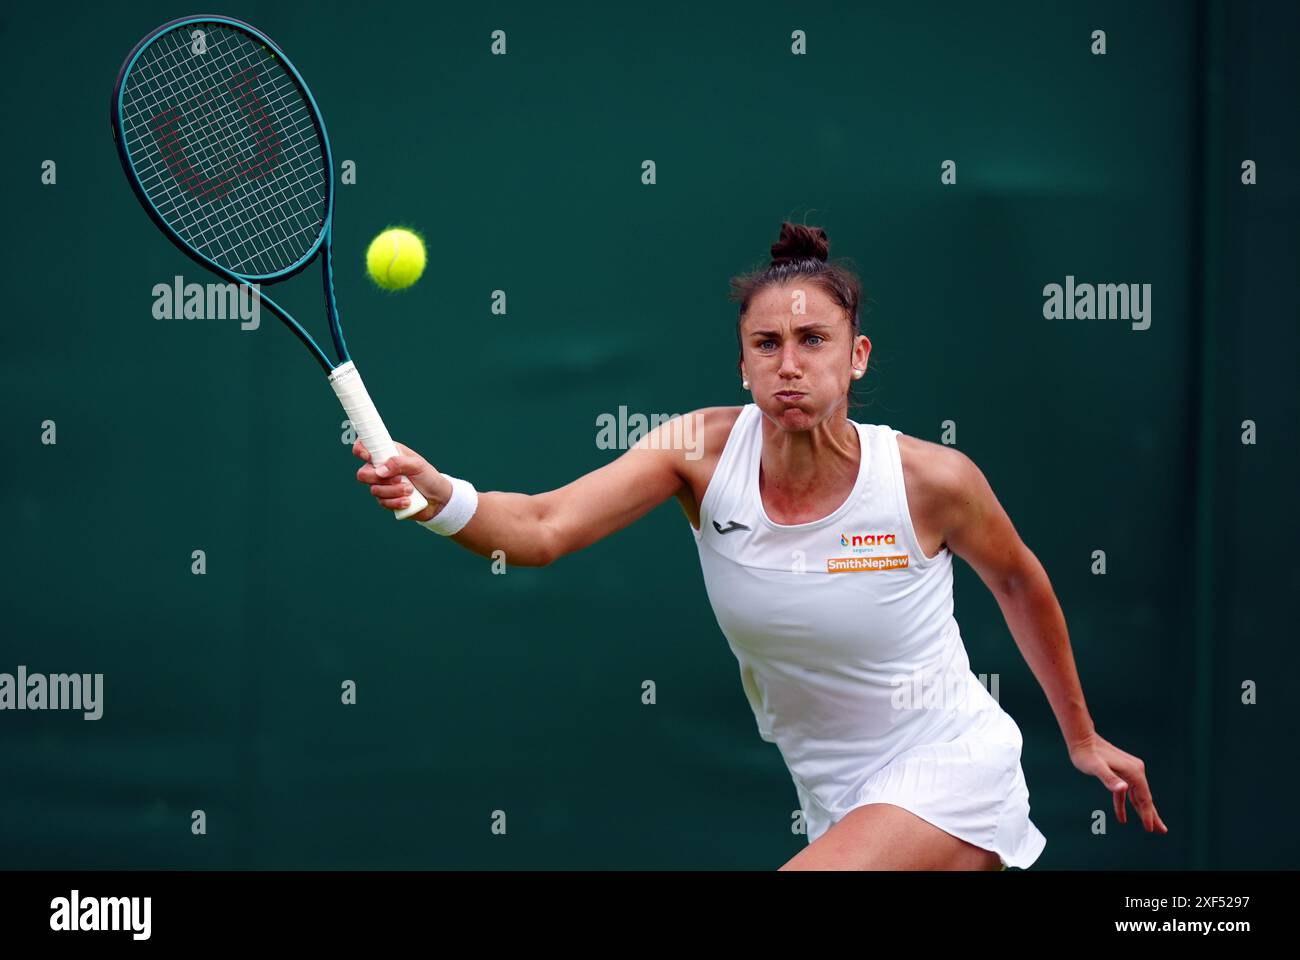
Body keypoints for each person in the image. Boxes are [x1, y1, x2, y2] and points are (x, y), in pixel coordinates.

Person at [352, 221, 1169, 870]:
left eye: (814, 341)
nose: (790, 364)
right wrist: (436, 498)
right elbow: (537, 530)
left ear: (856, 358)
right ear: (741, 365)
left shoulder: (934, 480)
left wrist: (1081, 736)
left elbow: (1022, 583)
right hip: (835, 799)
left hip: (953, 765)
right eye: (768, 345)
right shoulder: (693, 454)